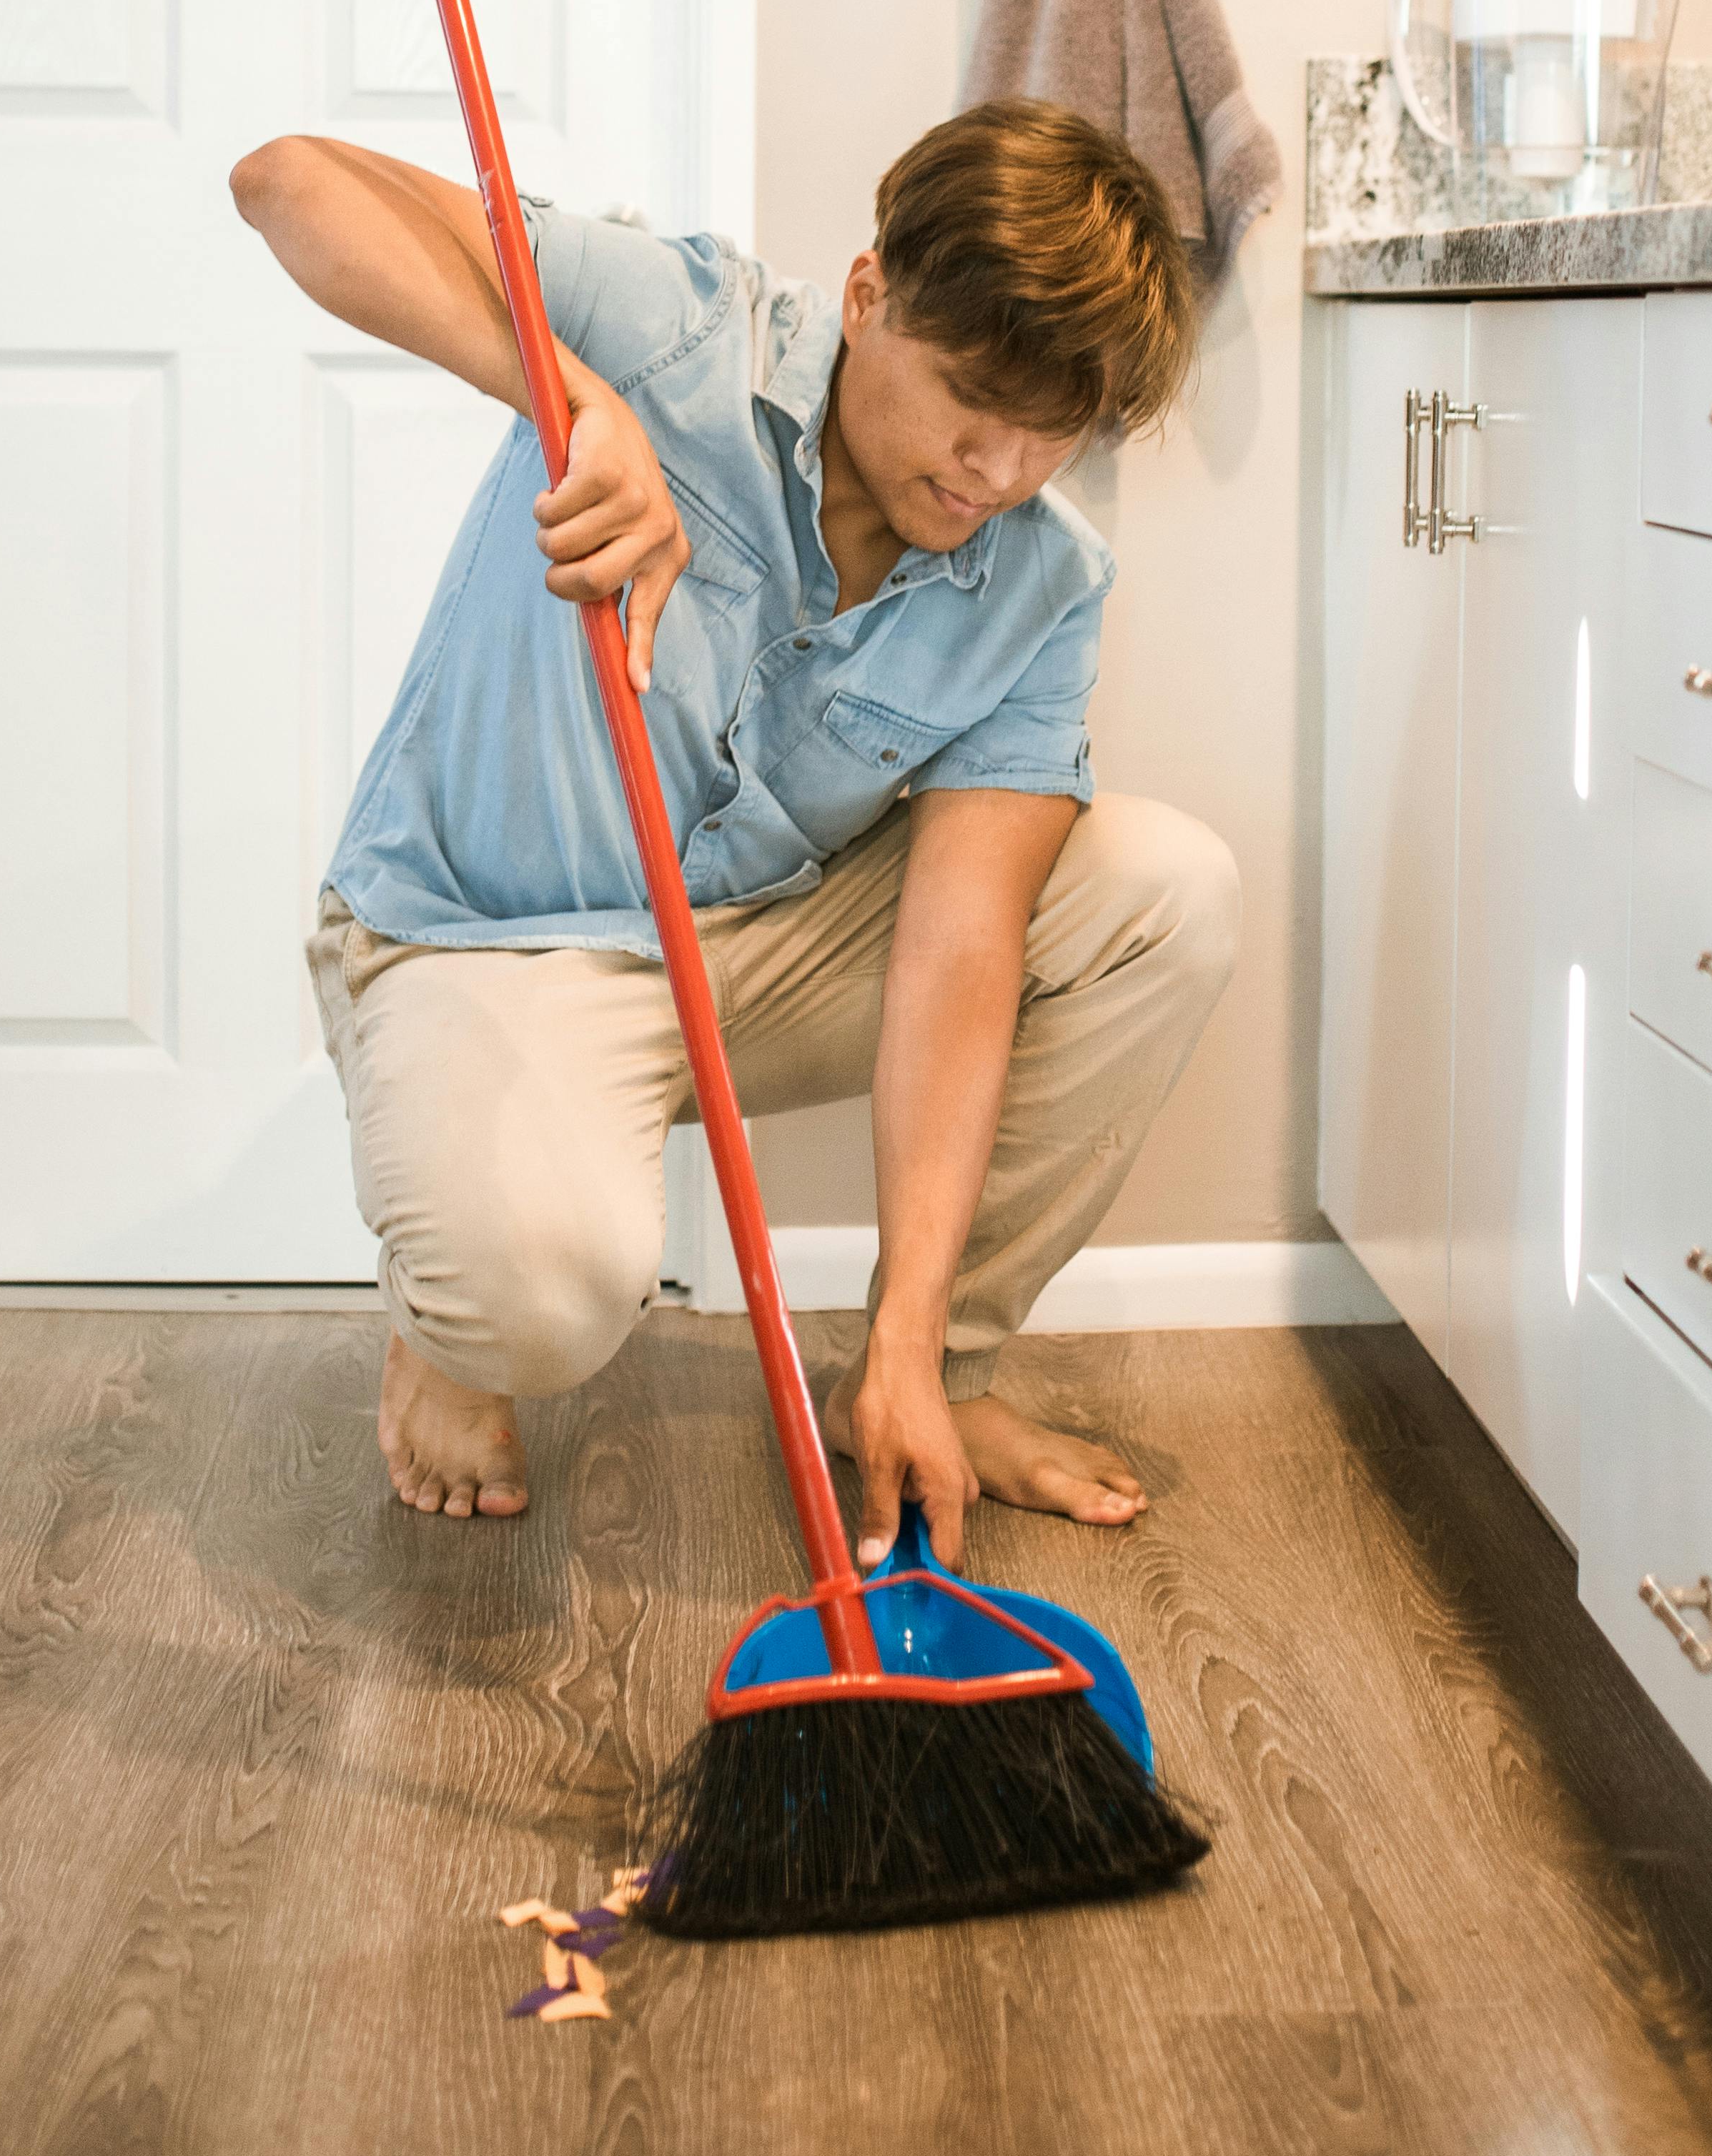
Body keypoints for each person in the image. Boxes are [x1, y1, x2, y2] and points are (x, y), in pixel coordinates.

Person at [229, 99, 1238, 1569]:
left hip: (758, 954)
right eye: (972, 395)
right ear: (870, 290)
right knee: (532, 1295)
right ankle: (447, 1331)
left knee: (1166, 888)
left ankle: (926, 1383)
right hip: (488, 941)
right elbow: (288, 184)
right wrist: (571, 395)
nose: (1002, 467)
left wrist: (904, 1338)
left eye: (1054, 434)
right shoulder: (680, 329)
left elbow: (965, 942)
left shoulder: (1044, 582)